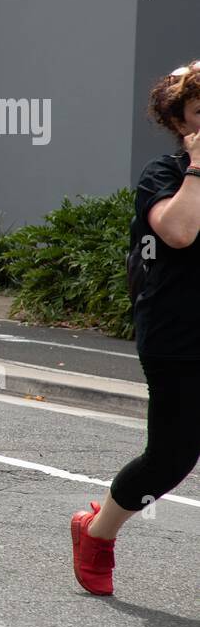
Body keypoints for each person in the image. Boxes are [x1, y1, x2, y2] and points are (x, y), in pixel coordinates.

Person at [71, 59, 200, 595]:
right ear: (179, 123)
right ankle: (97, 533)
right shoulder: (163, 176)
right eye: (198, 115)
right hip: (178, 337)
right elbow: (178, 233)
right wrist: (198, 168)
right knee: (171, 458)